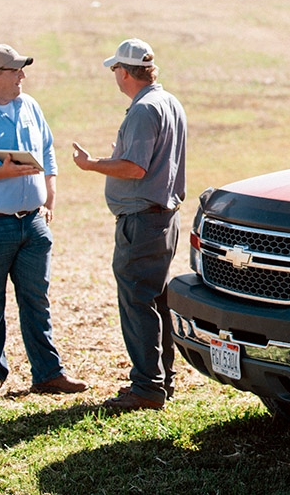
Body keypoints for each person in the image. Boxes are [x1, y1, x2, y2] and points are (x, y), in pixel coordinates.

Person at [0, 44, 88, 398]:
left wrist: (49, 195)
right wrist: (2, 172)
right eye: (15, 71)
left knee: (37, 300)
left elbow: (47, 150)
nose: (22, 76)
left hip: (33, 224)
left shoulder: (30, 106)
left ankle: (48, 374)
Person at [73, 38, 187, 411]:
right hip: (164, 218)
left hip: (141, 221)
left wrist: (94, 164)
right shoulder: (168, 101)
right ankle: (161, 380)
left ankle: (147, 388)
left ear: (124, 72)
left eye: (114, 70)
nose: (114, 76)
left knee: (137, 302)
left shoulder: (142, 111)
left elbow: (134, 168)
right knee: (155, 299)